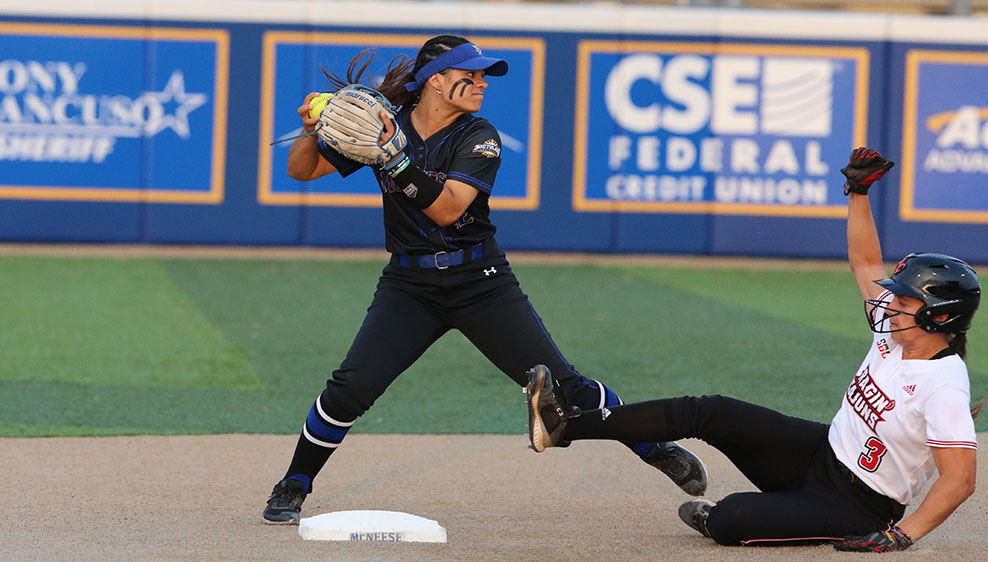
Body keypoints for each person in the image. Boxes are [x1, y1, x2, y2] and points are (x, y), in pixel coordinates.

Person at [263, 34, 707, 524]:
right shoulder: (386, 127)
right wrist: (311, 130)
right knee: (350, 387)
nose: (480, 84)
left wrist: (394, 157)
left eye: (482, 76)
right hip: (409, 287)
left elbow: (449, 209)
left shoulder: (480, 136)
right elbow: (302, 171)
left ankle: (652, 447)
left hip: (481, 281)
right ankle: (294, 483)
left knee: (567, 390)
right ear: (435, 80)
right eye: (468, 75)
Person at [524, 147, 982, 552]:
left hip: (859, 504)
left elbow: (959, 480)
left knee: (729, 519)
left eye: (905, 301)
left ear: (940, 316)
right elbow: (865, 262)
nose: (890, 304)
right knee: (710, 411)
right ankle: (566, 426)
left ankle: (736, 516)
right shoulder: (896, 335)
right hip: (820, 451)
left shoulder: (943, 384)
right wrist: (858, 194)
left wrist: (902, 535)